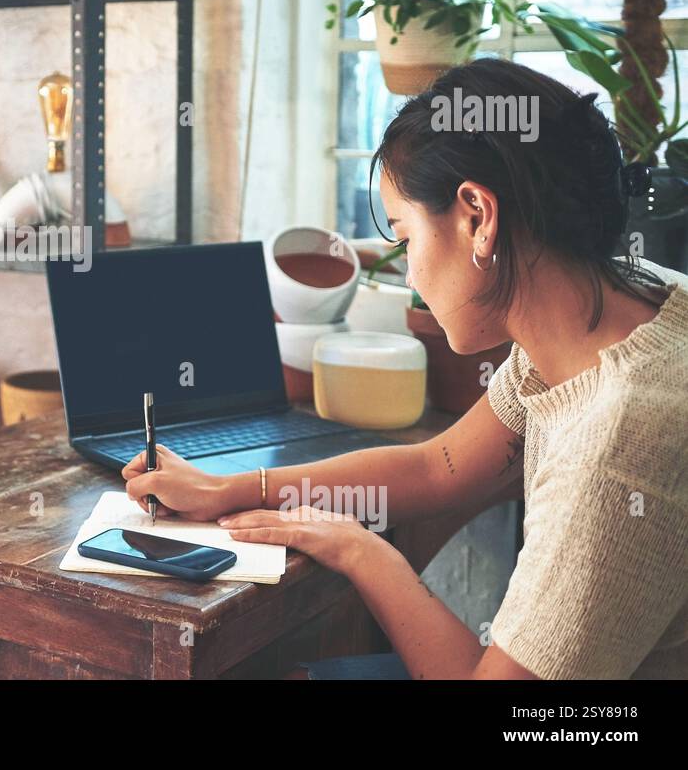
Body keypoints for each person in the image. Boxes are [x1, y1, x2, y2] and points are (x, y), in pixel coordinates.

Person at [123, 58, 688, 679]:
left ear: (477, 216)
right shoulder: (633, 302)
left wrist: (361, 551)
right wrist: (228, 489)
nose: (410, 272)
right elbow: (438, 466)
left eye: (406, 237)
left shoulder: (615, 443)